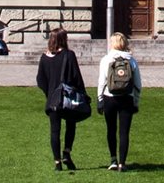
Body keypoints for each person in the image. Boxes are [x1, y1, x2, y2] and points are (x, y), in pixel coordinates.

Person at [35, 29, 87, 171]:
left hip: (53, 99)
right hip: (68, 97)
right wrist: (82, 93)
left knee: (54, 130)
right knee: (71, 125)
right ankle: (66, 152)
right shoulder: (69, 55)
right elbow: (76, 77)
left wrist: (49, 93)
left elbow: (40, 80)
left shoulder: (44, 57)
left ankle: (57, 161)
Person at [96, 32, 141, 171]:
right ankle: (122, 162)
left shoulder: (106, 59)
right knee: (124, 132)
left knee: (111, 129)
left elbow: (102, 82)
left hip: (110, 97)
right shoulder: (131, 60)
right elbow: (138, 84)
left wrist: (99, 99)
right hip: (127, 98)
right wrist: (136, 101)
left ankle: (113, 160)